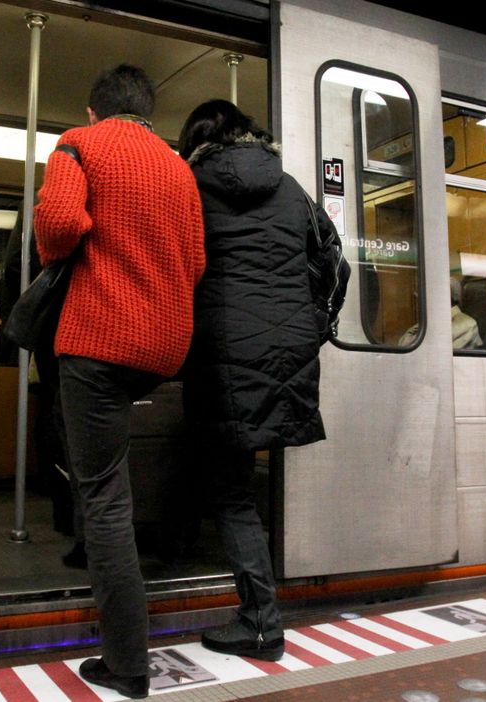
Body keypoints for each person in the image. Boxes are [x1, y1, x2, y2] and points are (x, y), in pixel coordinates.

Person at [34, 64, 205, 699]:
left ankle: (128, 662)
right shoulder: (178, 166)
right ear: (147, 112)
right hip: (162, 347)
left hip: (98, 339)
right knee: (131, 477)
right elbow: (196, 261)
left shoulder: (78, 144)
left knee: (103, 497)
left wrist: (64, 257)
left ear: (91, 109)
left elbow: (58, 223)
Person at [176, 99, 326, 662]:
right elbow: (333, 259)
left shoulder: (190, 184)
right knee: (234, 476)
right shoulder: (289, 187)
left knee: (233, 490)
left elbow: (178, 264)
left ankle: (262, 624)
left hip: (223, 351)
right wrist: (313, 325)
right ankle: (197, 554)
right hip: (289, 349)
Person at [398, 278, 482, 349]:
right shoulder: (432, 320)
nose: (419, 300)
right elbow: (403, 345)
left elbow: (431, 353)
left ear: (444, 296)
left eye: (425, 294)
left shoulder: (466, 324)